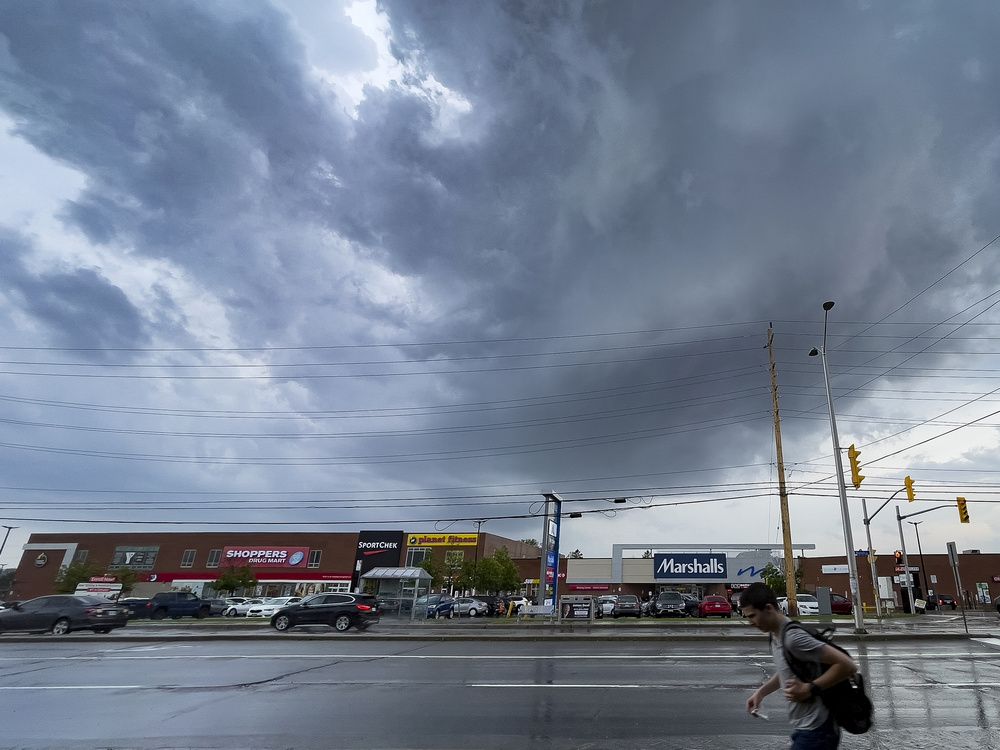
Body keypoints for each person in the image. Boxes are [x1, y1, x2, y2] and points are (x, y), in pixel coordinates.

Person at [740, 582, 858, 750]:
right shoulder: (775, 634)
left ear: (768, 608)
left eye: (752, 616)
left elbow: (848, 665)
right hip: (805, 728)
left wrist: (809, 689)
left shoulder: (793, 638)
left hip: (818, 729)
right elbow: (786, 670)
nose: (750, 622)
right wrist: (761, 693)